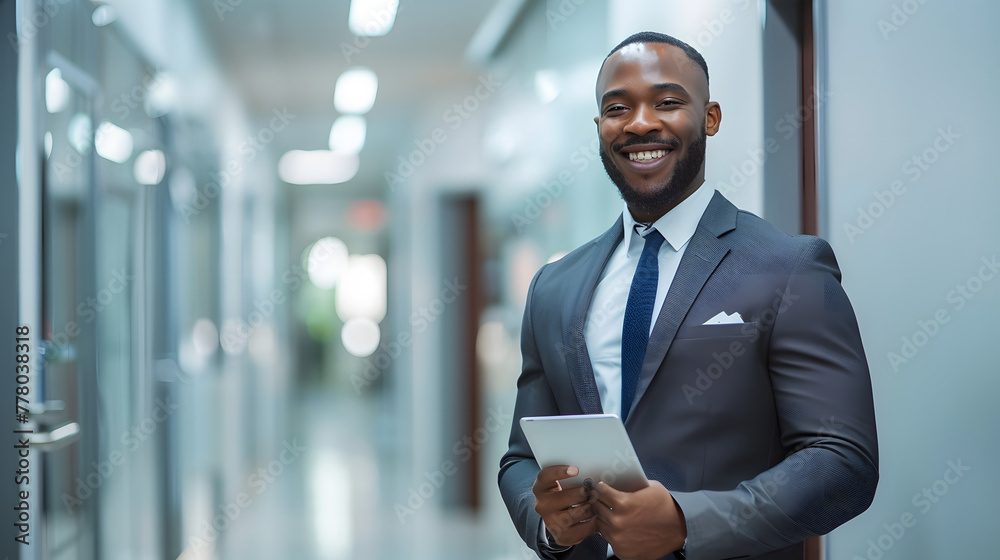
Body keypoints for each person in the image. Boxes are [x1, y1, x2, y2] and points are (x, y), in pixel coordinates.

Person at [498, 31, 878, 560]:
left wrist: (684, 523)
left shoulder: (789, 267)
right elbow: (520, 459)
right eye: (617, 109)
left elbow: (842, 463)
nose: (640, 123)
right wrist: (549, 527)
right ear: (599, 127)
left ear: (710, 118)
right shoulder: (554, 286)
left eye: (668, 102)